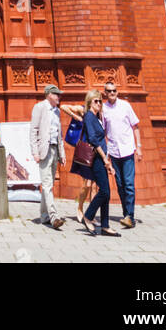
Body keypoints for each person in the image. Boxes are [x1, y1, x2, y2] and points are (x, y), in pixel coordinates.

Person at [79, 90, 120, 236]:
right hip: (97, 158)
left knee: (106, 193)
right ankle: (88, 216)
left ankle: (105, 226)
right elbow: (93, 139)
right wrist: (104, 159)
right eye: (96, 101)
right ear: (89, 102)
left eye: (100, 101)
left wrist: (107, 160)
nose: (99, 103)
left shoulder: (97, 118)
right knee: (104, 191)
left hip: (102, 157)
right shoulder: (89, 116)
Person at [101, 80, 142, 228]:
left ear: (117, 92)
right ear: (105, 93)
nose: (112, 93)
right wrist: (105, 152)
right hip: (113, 151)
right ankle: (126, 213)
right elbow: (104, 131)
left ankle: (130, 216)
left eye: (114, 91)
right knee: (120, 185)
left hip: (127, 149)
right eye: (109, 91)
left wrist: (139, 147)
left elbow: (135, 126)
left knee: (129, 184)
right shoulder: (104, 109)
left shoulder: (125, 106)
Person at [29, 83, 67, 229]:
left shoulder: (57, 111)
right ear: (49, 95)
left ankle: (44, 216)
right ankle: (53, 216)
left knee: (48, 184)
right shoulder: (39, 107)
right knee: (47, 184)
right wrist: (35, 152)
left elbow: (59, 134)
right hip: (44, 150)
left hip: (54, 149)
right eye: (56, 94)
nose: (59, 97)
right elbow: (33, 130)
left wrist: (62, 153)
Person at [60, 98, 93, 223]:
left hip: (96, 149)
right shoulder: (82, 110)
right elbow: (63, 107)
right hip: (85, 149)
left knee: (94, 186)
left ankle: (91, 214)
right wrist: (77, 117)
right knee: (87, 183)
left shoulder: (99, 113)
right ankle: (80, 208)